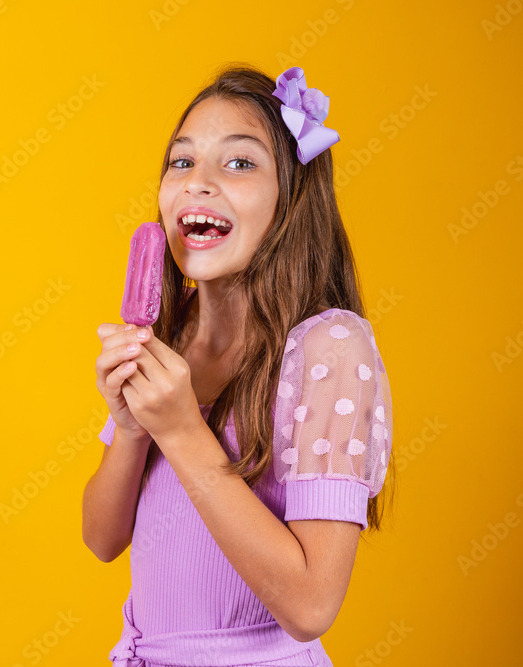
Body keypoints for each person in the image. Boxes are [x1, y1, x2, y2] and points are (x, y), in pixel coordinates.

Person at [82, 63, 396, 667]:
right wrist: (129, 427)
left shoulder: (329, 347)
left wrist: (181, 429)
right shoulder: (167, 337)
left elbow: (311, 607)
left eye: (240, 162)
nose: (198, 183)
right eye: (181, 161)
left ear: (291, 200)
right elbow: (102, 538)